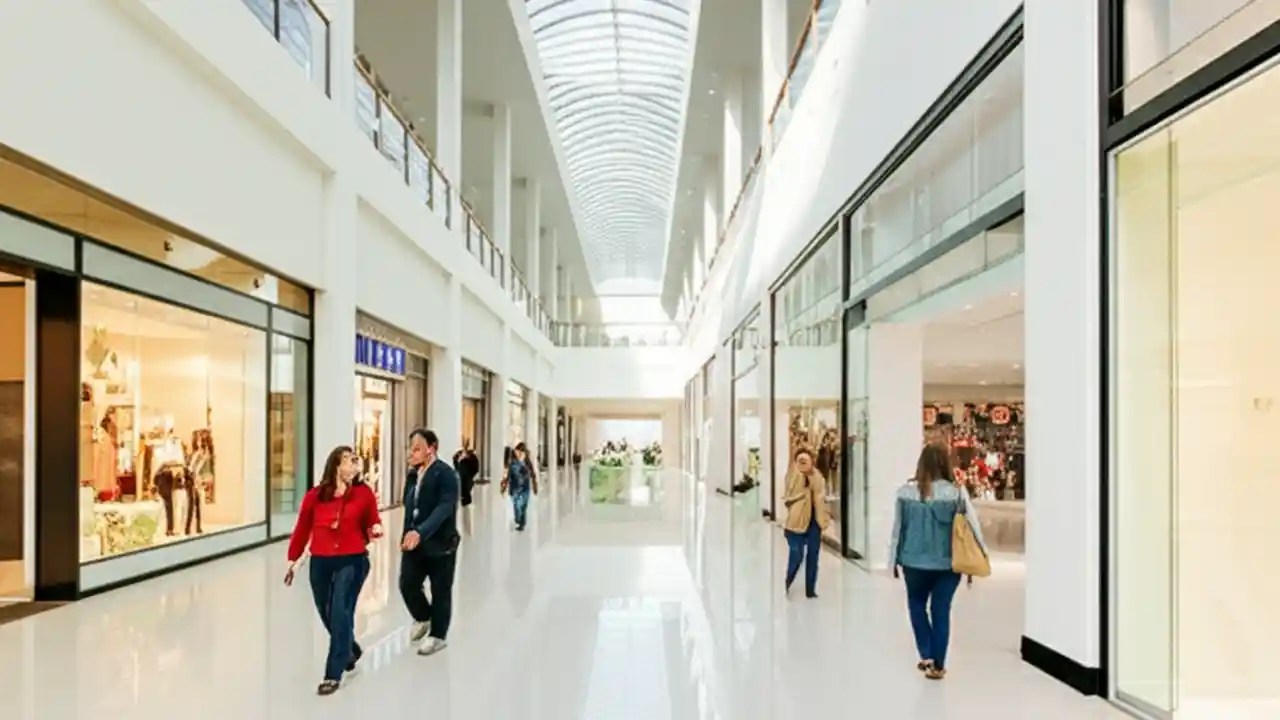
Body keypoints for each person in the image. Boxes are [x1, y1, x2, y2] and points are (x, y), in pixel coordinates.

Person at [284, 445, 383, 696]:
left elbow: (372, 521)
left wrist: (375, 530)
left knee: (340, 610)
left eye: (355, 460)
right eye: (348, 460)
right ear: (336, 466)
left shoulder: (363, 494)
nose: (354, 465)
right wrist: (293, 560)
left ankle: (333, 672)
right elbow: (302, 528)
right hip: (321, 562)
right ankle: (349, 648)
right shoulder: (316, 496)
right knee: (327, 611)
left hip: (353, 560)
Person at [888, 444, 988, 680]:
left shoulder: (905, 492)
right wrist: (981, 553)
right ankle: (939, 663)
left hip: (913, 561)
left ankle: (926, 654)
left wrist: (893, 559)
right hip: (948, 563)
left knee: (916, 604)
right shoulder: (956, 493)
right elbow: (972, 526)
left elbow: (897, 529)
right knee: (941, 610)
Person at [400, 428, 461, 656]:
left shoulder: (446, 474)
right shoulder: (413, 474)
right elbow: (409, 507)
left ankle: (438, 634)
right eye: (410, 448)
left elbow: (444, 508)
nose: (412, 453)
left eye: (417, 449)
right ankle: (423, 617)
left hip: (440, 544)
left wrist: (421, 532)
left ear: (431, 449)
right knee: (407, 584)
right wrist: (406, 534)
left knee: (441, 590)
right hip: (415, 543)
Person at [781, 447, 831, 598]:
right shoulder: (793, 476)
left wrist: (825, 516)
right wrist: (800, 473)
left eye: (806, 460)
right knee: (796, 555)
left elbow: (821, 497)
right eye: (800, 461)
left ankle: (810, 589)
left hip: (814, 522)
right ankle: (789, 580)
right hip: (796, 522)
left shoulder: (818, 477)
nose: (803, 464)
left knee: (813, 557)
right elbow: (788, 496)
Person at [501, 442, 539, 531]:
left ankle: (522, 524)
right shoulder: (512, 464)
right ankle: (518, 519)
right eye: (517, 452)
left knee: (523, 507)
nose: (518, 454)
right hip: (515, 489)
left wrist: (535, 486)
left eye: (521, 452)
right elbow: (508, 476)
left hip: (525, 488)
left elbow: (533, 475)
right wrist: (504, 486)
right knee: (517, 506)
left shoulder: (528, 463)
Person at [452, 442, 480, 507]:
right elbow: (456, 463)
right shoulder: (459, 455)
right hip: (464, 476)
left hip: (467, 476)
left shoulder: (471, 456)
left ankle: (465, 499)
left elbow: (475, 468)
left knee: (465, 487)